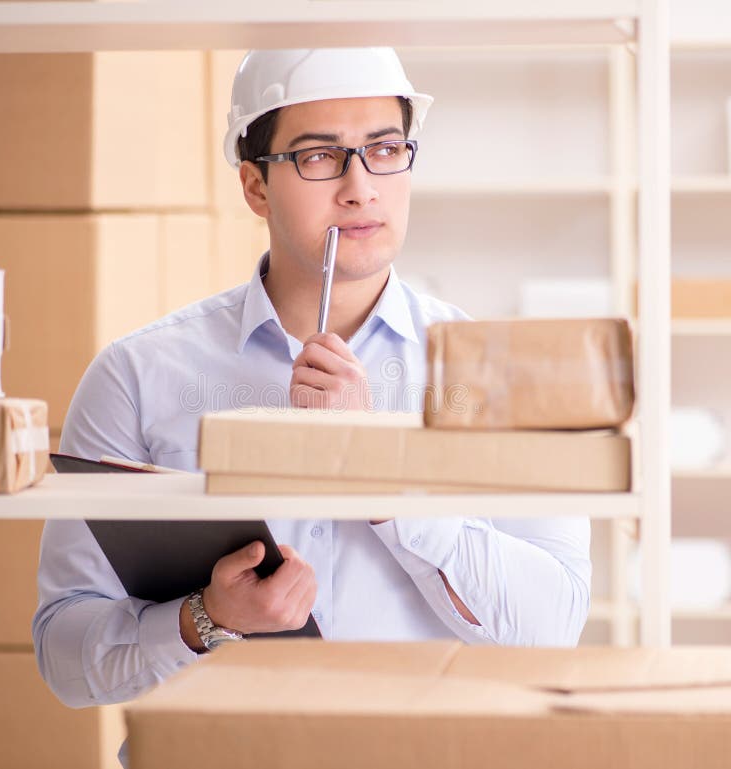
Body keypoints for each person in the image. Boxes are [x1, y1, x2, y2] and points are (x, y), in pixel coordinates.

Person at [34, 47, 591, 712]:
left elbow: (550, 626)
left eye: (385, 148)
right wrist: (205, 618)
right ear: (255, 186)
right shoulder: (137, 375)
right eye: (319, 156)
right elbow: (63, 656)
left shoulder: (501, 377)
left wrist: (384, 479)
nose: (361, 186)